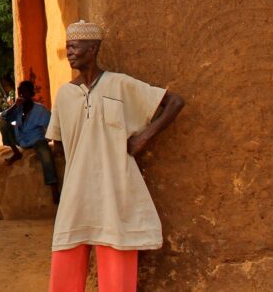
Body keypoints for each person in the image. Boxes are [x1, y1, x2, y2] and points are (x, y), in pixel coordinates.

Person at [46, 20, 185, 292]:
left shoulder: (120, 85)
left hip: (116, 193)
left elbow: (175, 102)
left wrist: (144, 138)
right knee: (64, 269)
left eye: (75, 46)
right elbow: (59, 146)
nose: (69, 52)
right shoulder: (64, 95)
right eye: (67, 46)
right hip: (76, 196)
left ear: (93, 48)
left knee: (117, 276)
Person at [0, 79, 59, 202]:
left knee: (46, 155)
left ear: (31, 94)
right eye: (20, 93)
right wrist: (14, 105)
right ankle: (16, 153)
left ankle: (54, 188)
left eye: (25, 93)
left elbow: (52, 125)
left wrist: (49, 139)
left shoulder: (40, 110)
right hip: (20, 138)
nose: (22, 95)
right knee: (2, 123)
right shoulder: (18, 108)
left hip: (36, 139)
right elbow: (3, 117)